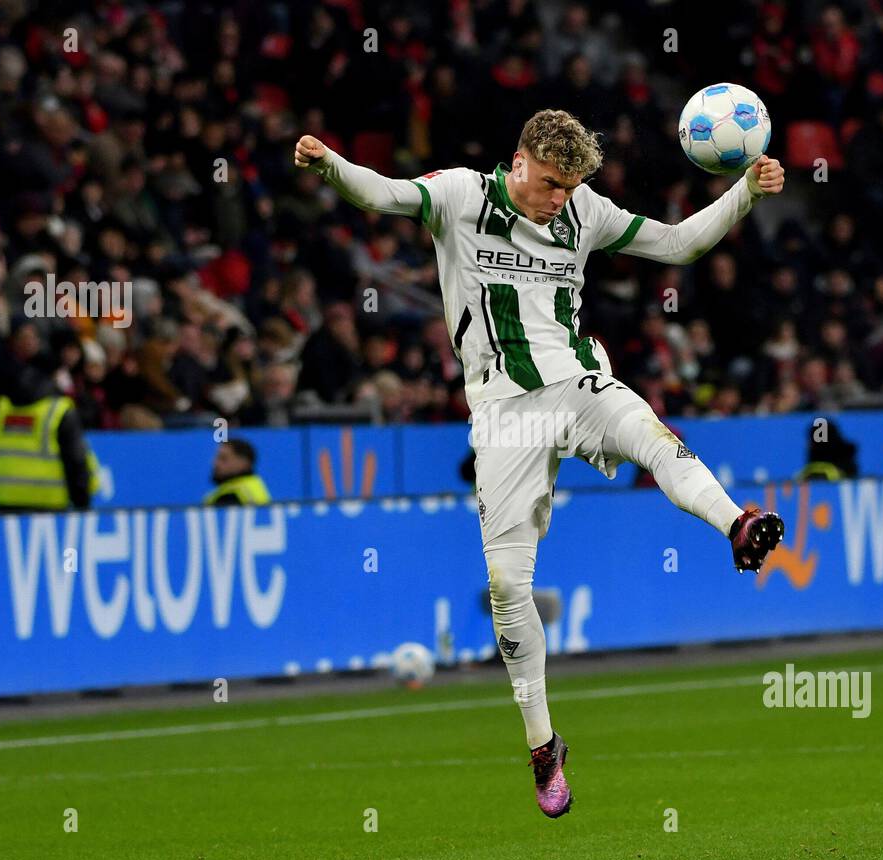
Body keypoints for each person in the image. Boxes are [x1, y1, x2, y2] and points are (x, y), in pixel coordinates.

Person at [295, 109, 787, 818]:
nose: (560, 199)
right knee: (504, 582)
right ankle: (542, 743)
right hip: (502, 412)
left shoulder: (584, 209)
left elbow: (678, 245)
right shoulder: (463, 196)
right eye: (552, 184)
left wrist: (745, 192)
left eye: (571, 187)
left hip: (578, 382)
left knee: (649, 434)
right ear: (520, 161)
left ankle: (736, 524)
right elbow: (382, 194)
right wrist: (331, 165)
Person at [0, 363, 98, 513]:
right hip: (52, 510)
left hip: (6, 508)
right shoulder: (59, 411)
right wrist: (82, 502)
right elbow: (76, 461)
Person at [204, 438, 271, 506]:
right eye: (217, 458)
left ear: (244, 463)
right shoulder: (254, 485)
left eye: (223, 459)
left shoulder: (232, 495)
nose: (215, 463)